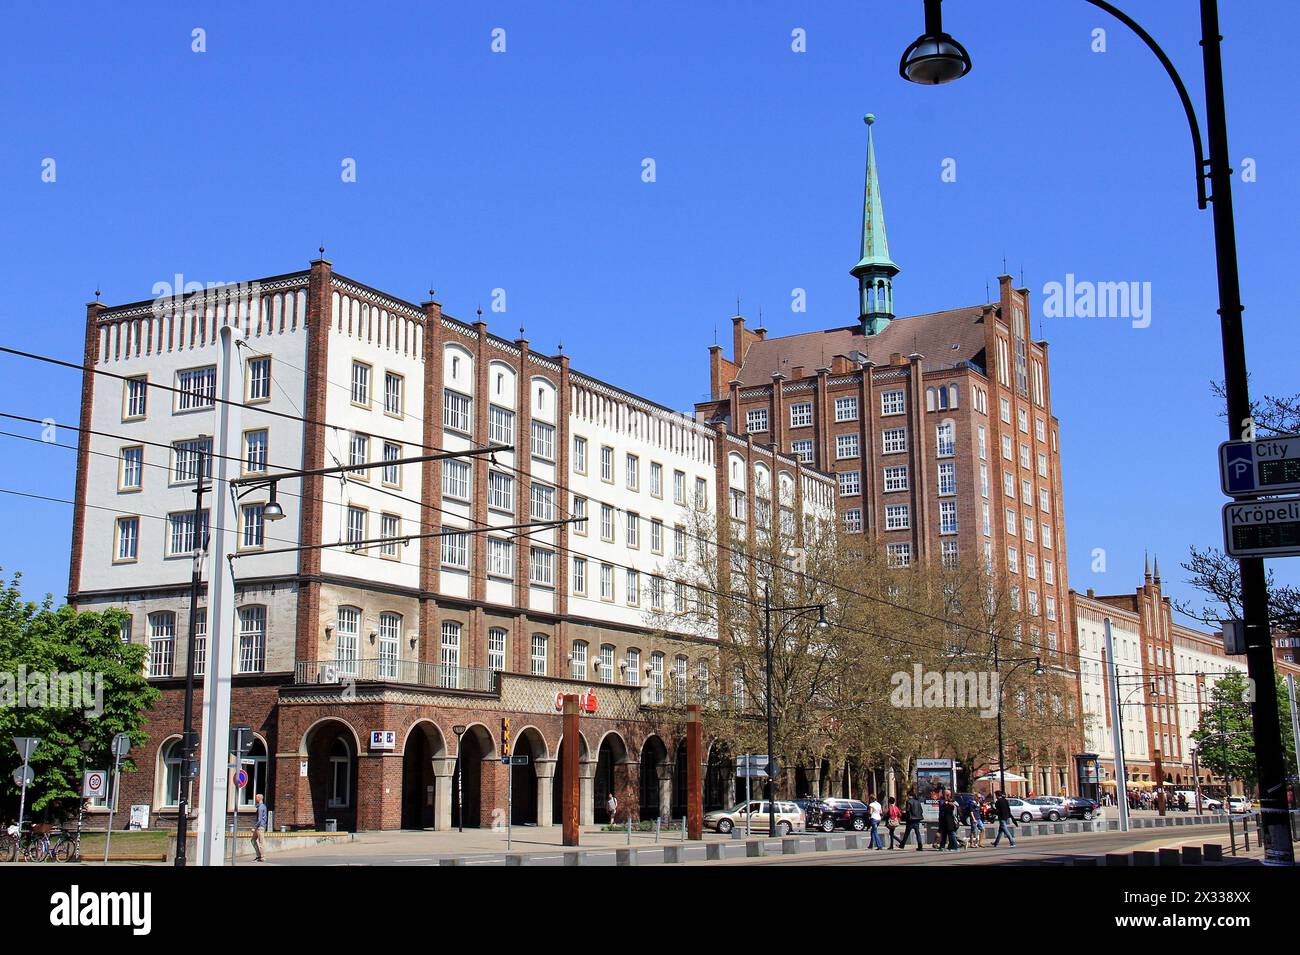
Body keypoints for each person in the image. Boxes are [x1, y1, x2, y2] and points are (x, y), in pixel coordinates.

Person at [252, 793, 269, 862]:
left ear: (259, 798)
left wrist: (254, 827)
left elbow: (259, 819)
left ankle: (262, 857)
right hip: (259, 826)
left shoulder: (261, 807)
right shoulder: (261, 806)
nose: (255, 799)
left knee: (261, 842)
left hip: (260, 827)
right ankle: (259, 855)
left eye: (256, 797)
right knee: (253, 840)